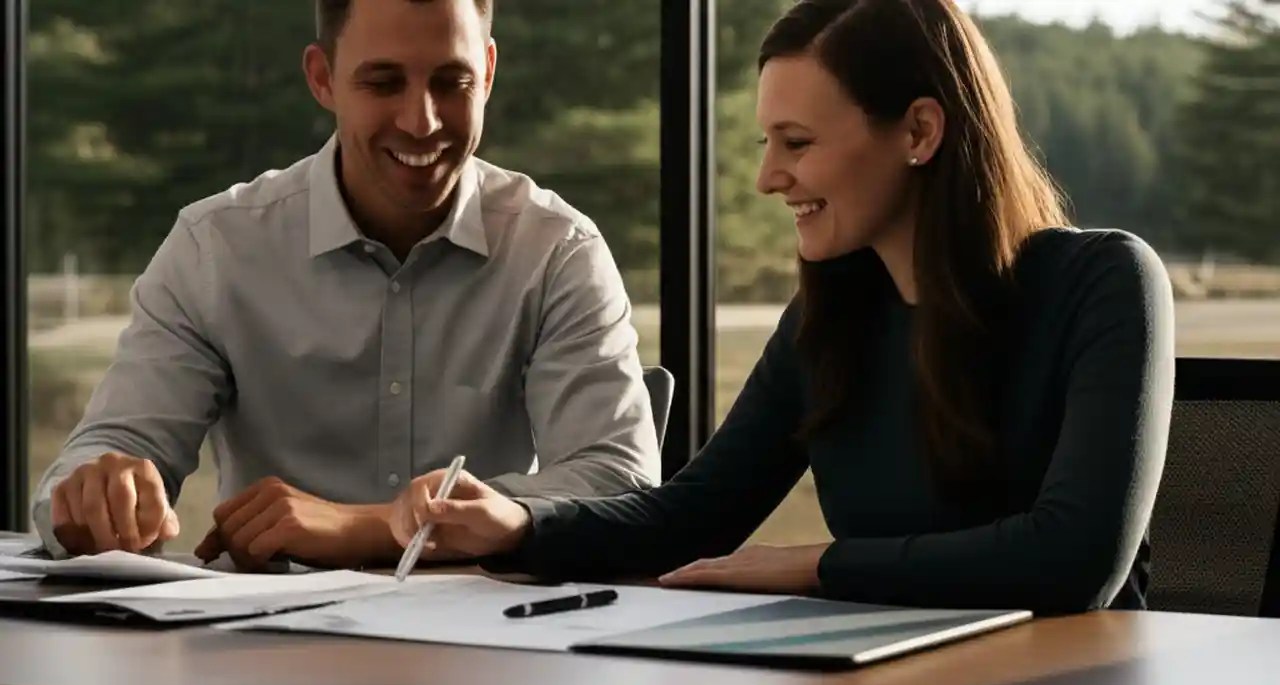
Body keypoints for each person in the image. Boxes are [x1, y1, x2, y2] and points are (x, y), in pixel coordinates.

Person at [385, 0, 1175, 614]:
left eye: (796, 143)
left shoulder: (1105, 283)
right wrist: (522, 525)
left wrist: (814, 563)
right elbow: (692, 517)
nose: (768, 177)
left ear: (920, 132)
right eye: (767, 143)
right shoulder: (826, 323)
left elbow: (1073, 561)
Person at [31, 0, 660, 569]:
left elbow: (621, 484)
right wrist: (96, 496)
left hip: (488, 651)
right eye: (383, 83)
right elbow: (105, 453)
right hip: (258, 654)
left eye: (453, 81)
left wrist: (375, 527)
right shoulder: (215, 248)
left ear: (488, 72)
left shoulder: (557, 250)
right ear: (322, 78)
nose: (422, 121)